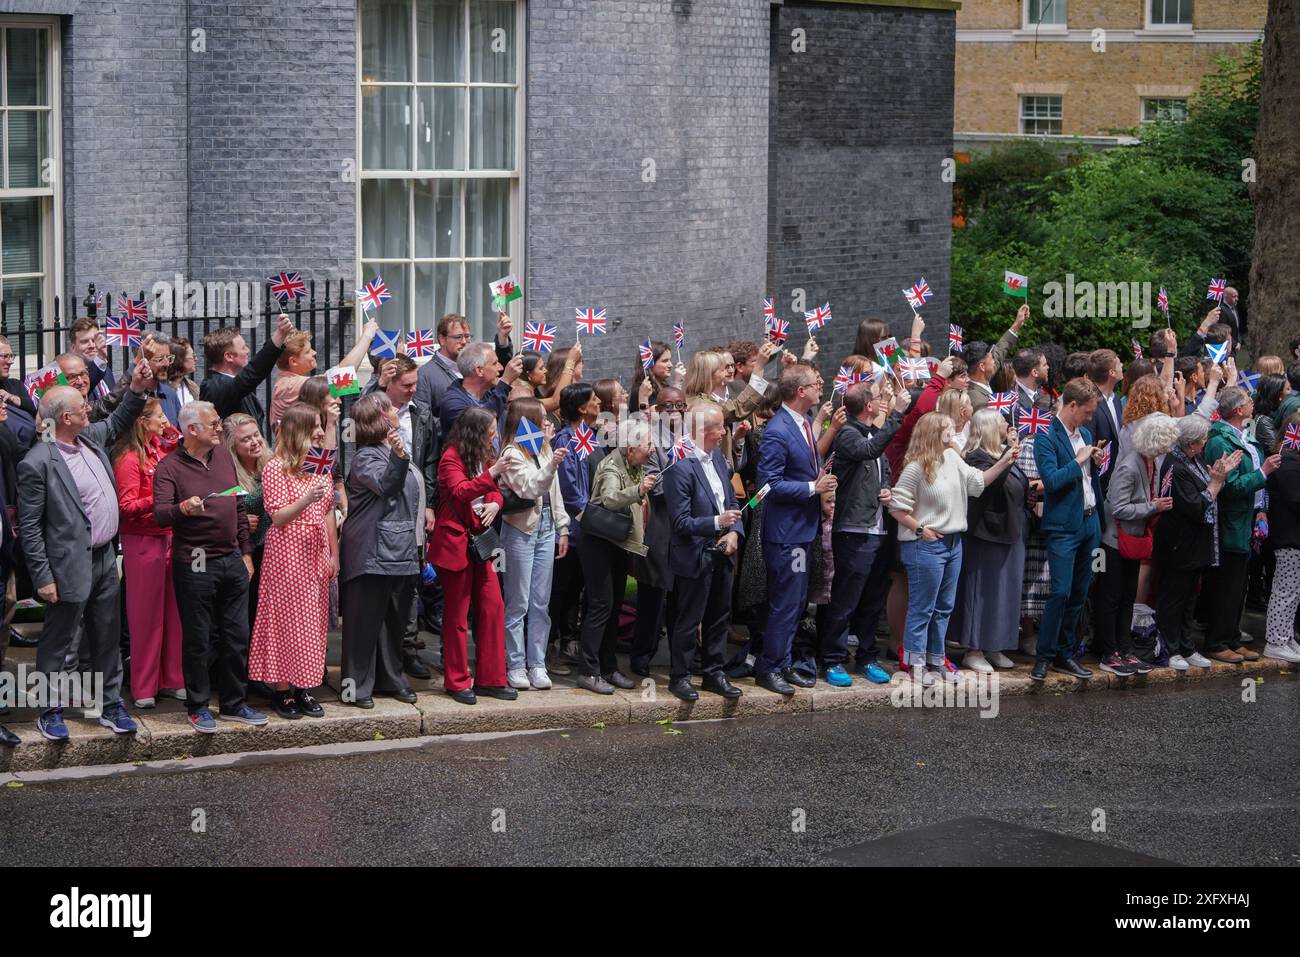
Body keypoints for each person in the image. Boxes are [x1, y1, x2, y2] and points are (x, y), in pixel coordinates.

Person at [16, 357, 153, 742]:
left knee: (107, 635)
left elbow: (117, 421)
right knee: (59, 642)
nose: (88, 408)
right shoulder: (37, 462)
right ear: (63, 418)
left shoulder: (88, 439)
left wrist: (138, 389)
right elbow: (29, 527)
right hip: (66, 565)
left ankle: (111, 705)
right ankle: (50, 711)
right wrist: (43, 577)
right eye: (80, 408)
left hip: (105, 558)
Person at [153, 401, 269, 733]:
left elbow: (237, 503)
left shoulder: (221, 456)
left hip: (231, 559)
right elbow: (161, 514)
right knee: (198, 639)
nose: (220, 428)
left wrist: (246, 553)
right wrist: (182, 509)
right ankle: (198, 705)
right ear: (193, 430)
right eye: (214, 423)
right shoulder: (169, 468)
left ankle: (234, 703)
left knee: (237, 636)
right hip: (195, 563)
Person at [889, 412, 1016, 685]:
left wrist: (1005, 460)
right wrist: (921, 529)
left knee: (944, 607)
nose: (953, 432)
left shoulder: (953, 458)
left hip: (954, 542)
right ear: (935, 432)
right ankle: (916, 665)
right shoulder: (916, 467)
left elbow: (978, 482)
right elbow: (897, 506)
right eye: (948, 428)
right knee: (922, 607)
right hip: (926, 544)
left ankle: (936, 659)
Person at [247, 403, 339, 719]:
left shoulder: (318, 461)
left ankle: (304, 686)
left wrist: (333, 554)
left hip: (316, 549)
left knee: (311, 622)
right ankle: (282, 690)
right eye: (313, 426)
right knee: (285, 621)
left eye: (320, 425)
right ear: (296, 430)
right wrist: (305, 500)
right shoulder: (275, 467)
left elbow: (327, 509)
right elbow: (278, 516)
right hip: (287, 550)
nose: (318, 431)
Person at [755, 364, 837, 695]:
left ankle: (783, 661)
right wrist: (811, 489)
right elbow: (767, 485)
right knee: (785, 601)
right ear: (800, 391)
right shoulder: (777, 430)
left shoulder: (803, 421)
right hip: (786, 536)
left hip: (803, 533)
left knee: (798, 600)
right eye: (817, 384)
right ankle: (769, 667)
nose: (822, 388)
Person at [821, 379, 909, 684]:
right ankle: (833, 658)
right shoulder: (847, 434)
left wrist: (886, 490)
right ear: (869, 406)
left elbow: (883, 469)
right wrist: (896, 414)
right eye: (877, 397)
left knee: (873, 599)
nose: (882, 400)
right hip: (853, 529)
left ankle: (867, 656)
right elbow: (868, 450)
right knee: (846, 598)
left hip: (879, 529)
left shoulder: (874, 433)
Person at [428, 407, 516, 705]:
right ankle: (456, 681)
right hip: (455, 544)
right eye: (491, 429)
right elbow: (461, 491)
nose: (495, 433)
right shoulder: (450, 457)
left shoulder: (486, 454)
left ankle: (492, 679)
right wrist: (492, 474)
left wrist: (495, 502)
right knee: (457, 616)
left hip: (480, 543)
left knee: (493, 607)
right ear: (476, 431)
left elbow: (494, 490)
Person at [340, 393, 422, 706]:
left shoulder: (391, 448)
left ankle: (390, 679)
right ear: (378, 418)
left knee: (392, 621)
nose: (395, 410)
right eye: (389, 407)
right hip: (371, 549)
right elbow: (387, 485)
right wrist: (400, 457)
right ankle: (355, 687)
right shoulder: (365, 457)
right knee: (363, 623)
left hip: (398, 547)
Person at [662, 403, 744, 700]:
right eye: (719, 426)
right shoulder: (679, 467)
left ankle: (714, 673)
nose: (724, 432)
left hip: (723, 551)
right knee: (688, 618)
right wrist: (716, 523)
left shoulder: (720, 460)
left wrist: (734, 532)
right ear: (702, 430)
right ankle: (680, 676)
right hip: (695, 554)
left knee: (719, 617)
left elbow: (733, 503)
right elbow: (680, 521)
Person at [113, 397, 186, 708]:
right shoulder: (129, 458)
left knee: (174, 614)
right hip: (142, 540)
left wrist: (169, 429)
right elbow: (126, 506)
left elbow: (180, 445)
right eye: (159, 416)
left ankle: (172, 678)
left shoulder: (159, 448)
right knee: (146, 617)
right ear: (142, 422)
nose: (165, 419)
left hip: (168, 536)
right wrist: (160, 503)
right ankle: (144, 686)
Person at [1031, 377, 1106, 683]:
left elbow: (1087, 478)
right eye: (1087, 412)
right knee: (1060, 592)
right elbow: (1051, 481)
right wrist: (1079, 461)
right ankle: (1044, 656)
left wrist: (1095, 462)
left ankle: (1065, 653)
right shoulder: (1046, 437)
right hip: (1063, 525)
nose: (1090, 418)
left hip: (1090, 521)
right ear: (1072, 405)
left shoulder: (1085, 433)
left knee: (1080, 591)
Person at [372, 354, 441, 677]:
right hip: (382, 498)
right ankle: (378, 650)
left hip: (415, 501)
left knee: (412, 578)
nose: (414, 390)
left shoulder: (422, 414)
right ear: (390, 384)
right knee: (383, 578)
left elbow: (429, 460)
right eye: (407, 385)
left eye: (415, 383)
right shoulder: (375, 410)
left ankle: (408, 648)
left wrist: (428, 504)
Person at [1094, 413, 1179, 675]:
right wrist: (1152, 507)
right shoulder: (1130, 466)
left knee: (1127, 598)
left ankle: (1125, 649)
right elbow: (1117, 508)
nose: (1171, 446)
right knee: (1111, 598)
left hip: (1133, 541)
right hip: (1115, 543)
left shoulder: (1149, 462)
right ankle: (1108, 652)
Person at [576, 417, 655, 694]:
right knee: (600, 606)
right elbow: (609, 499)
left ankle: (608, 667)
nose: (653, 449)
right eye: (648, 444)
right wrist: (639, 490)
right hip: (599, 543)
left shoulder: (635, 463)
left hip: (618, 542)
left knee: (613, 607)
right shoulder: (611, 466)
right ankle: (588, 670)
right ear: (631, 448)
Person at [1155, 415, 1240, 669]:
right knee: (1174, 598)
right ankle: (1169, 649)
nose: (1206, 443)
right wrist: (1216, 482)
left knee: (1190, 596)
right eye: (1203, 440)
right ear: (1191, 443)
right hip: (1179, 543)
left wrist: (1217, 475)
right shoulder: (1175, 466)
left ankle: (1186, 645)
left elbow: (1209, 491)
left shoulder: (1195, 460)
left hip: (1197, 544)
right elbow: (1195, 505)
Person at [1201, 386, 1279, 662]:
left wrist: (1260, 509)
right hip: (1229, 522)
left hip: (1246, 520)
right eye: (1248, 401)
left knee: (1240, 585)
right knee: (1226, 584)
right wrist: (1263, 472)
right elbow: (1229, 487)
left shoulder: (1243, 435)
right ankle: (1217, 641)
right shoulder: (1220, 441)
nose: (1252, 403)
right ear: (1237, 411)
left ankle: (1232, 636)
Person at [497, 398, 569, 691]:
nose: (547, 423)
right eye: (542, 419)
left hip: (547, 529)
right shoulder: (512, 453)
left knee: (541, 602)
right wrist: (551, 464)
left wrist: (563, 527)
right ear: (528, 421)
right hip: (520, 530)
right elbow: (530, 487)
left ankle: (537, 663)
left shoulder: (542, 447)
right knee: (518, 601)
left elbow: (555, 493)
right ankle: (515, 663)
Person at [949, 408, 1027, 673]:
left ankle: (994, 645)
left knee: (1003, 594)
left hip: (1010, 532)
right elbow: (986, 487)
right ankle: (974, 649)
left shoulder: (1001, 454)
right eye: (1002, 422)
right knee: (981, 593)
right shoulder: (976, 457)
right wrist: (1007, 458)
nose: (1008, 425)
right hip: (986, 534)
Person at [631, 386, 686, 675]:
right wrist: (690, 486)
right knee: (652, 599)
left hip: (688, 531)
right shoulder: (650, 440)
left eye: (680, 405)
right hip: (660, 528)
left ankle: (681, 660)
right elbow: (659, 487)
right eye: (668, 406)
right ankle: (641, 656)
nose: (675, 411)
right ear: (657, 409)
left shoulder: (693, 439)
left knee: (682, 600)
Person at [550, 383, 601, 663]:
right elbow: (569, 487)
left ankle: (570, 639)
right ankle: (554, 643)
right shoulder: (565, 439)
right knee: (563, 587)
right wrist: (590, 516)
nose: (599, 401)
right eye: (594, 399)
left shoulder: (590, 436)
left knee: (578, 587)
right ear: (582, 408)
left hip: (589, 524)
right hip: (572, 527)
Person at [271, 320, 377, 433]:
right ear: (293, 362)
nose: (314, 352)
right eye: (307, 351)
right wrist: (367, 336)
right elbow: (343, 379)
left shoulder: (287, 383)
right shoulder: (289, 385)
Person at [200, 314, 293, 432]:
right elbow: (253, 372)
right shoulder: (214, 386)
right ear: (229, 356)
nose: (248, 351)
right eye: (243, 348)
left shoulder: (234, 383)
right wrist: (279, 336)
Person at [684, 347, 773, 470]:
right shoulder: (702, 406)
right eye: (722, 370)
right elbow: (738, 408)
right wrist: (758, 368)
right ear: (708, 375)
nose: (727, 373)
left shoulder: (697, 399)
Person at [414, 311, 514, 416]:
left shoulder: (476, 364)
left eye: (467, 336)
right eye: (458, 337)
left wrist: (503, 337)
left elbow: (500, 371)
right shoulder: (425, 374)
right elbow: (423, 420)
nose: (464, 342)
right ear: (442, 339)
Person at [223, 413, 272, 628]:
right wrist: (239, 520)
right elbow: (221, 508)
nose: (255, 442)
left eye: (256, 435)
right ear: (233, 446)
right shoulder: (228, 474)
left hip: (276, 551)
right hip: (250, 551)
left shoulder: (273, 463)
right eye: (246, 439)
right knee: (252, 614)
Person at [440, 341, 523, 435]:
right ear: (479, 370)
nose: (500, 368)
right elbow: (481, 426)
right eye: (495, 363)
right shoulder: (453, 403)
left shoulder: (489, 394)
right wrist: (505, 382)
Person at [964, 304, 1027, 412]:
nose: (995, 360)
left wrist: (1016, 325)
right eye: (991, 359)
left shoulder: (981, 377)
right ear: (982, 367)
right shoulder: (977, 402)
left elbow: (999, 352)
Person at [0, 334, 39, 447]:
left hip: (39, 449)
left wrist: (14, 399)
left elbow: (40, 410)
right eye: (5, 356)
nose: (11, 361)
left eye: (11, 356)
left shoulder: (15, 385)